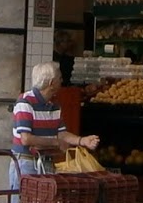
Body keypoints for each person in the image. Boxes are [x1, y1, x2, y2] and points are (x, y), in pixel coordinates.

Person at [11, 61, 99, 192]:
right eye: (60, 78)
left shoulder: (54, 105)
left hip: (45, 163)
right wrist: (56, 143)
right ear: (52, 83)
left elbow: (61, 133)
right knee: (23, 202)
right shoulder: (25, 102)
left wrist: (82, 141)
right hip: (26, 163)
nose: (62, 81)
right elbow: (26, 139)